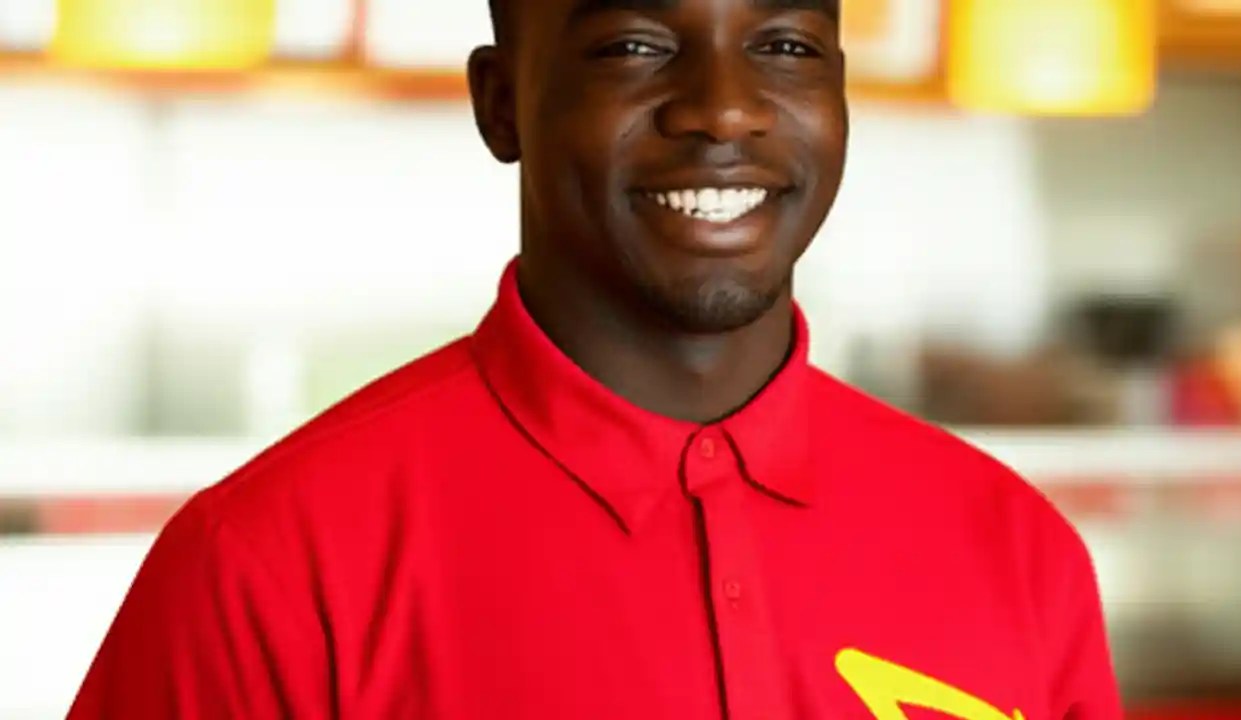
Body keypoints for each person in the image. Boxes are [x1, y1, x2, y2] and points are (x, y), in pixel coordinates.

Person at [69, 0, 1123, 718]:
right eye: (633, 44)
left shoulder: (1015, 549)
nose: (722, 107)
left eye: (786, 46)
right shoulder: (264, 565)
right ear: (500, 103)